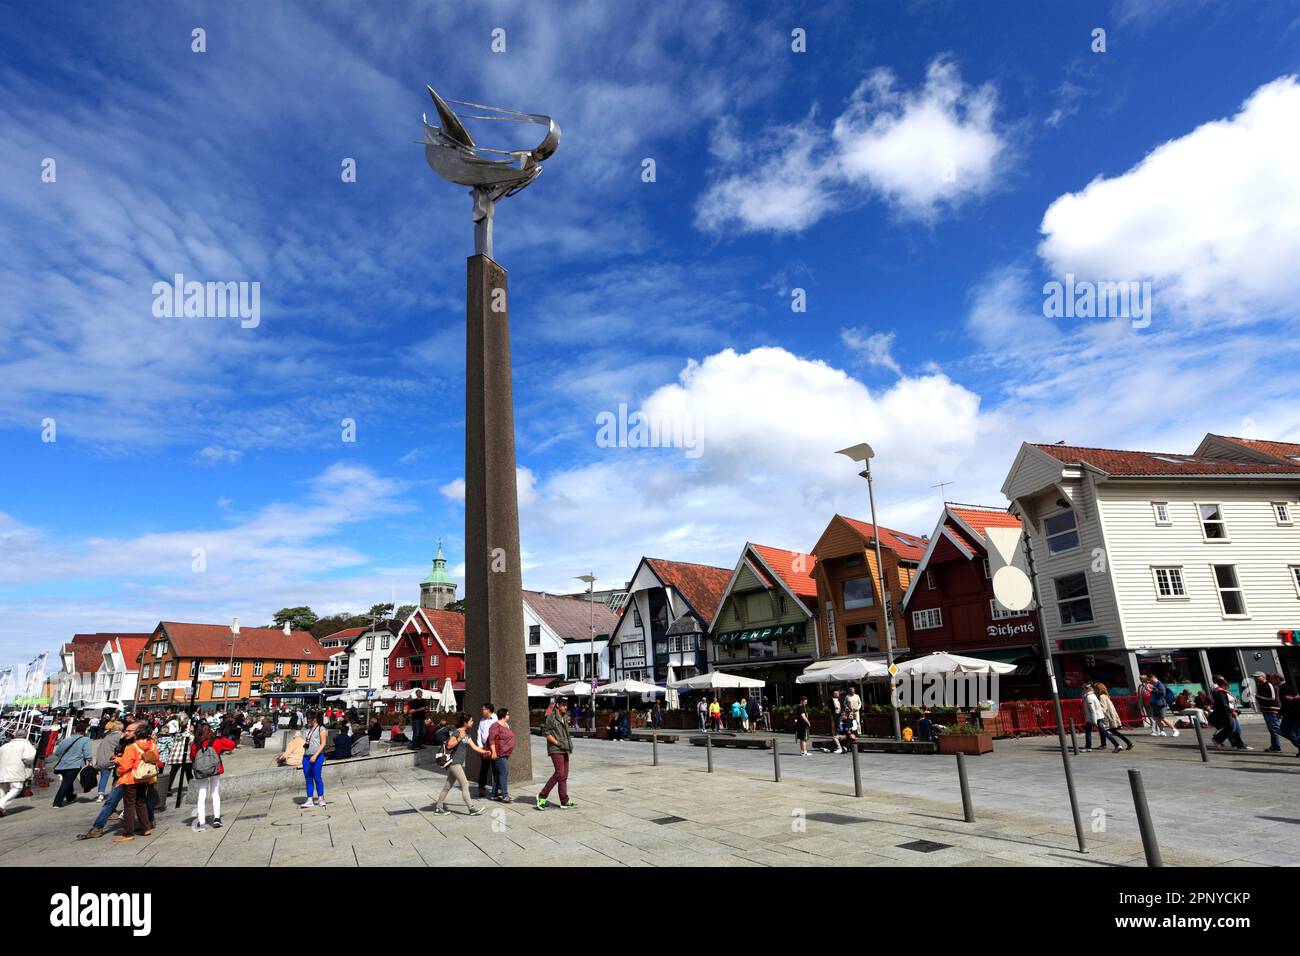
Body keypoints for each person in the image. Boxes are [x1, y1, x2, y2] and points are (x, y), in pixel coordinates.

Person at [113, 727, 161, 843]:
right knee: (141, 802)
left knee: (129, 805)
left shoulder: (132, 747)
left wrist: (118, 761)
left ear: (136, 735)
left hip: (132, 778)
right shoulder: (153, 746)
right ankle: (145, 828)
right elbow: (156, 759)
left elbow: (126, 765)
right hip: (145, 777)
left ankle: (128, 832)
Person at [433, 714, 484, 816]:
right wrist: (460, 737)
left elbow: (474, 747)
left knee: (447, 786)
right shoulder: (457, 732)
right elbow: (449, 745)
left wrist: (485, 752)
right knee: (465, 784)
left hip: (458, 763)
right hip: (454, 762)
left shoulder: (467, 733)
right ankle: (471, 808)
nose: (472, 722)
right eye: (471, 720)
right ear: (465, 722)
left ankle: (438, 808)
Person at [190, 723, 235, 831]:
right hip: (215, 770)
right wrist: (220, 737)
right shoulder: (217, 740)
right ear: (210, 730)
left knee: (202, 794)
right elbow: (231, 744)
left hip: (201, 771)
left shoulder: (195, 744)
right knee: (215, 792)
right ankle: (216, 818)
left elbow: (192, 758)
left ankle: (201, 823)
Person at [537, 697, 575, 810]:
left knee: (564, 776)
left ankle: (564, 800)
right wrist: (557, 742)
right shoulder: (551, 718)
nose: (565, 707)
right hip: (556, 748)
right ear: (557, 705)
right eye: (563, 705)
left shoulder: (565, 717)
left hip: (565, 748)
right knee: (559, 773)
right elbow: (546, 732)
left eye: (566, 705)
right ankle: (542, 795)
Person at [51, 720, 93, 808]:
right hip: (75, 764)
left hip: (62, 764)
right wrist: (89, 761)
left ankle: (70, 796)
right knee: (66, 783)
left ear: (75, 730)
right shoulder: (85, 739)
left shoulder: (66, 739)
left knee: (68, 780)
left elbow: (57, 752)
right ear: (85, 731)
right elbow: (87, 753)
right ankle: (57, 802)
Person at [0, 733, 37, 818]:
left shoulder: (4, 746)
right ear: (25, 735)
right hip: (16, 770)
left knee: (2, 790)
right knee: (17, 788)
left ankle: (2, 809)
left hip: (2, 771)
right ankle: (1, 805)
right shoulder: (26, 745)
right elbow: (29, 758)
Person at [1209, 676, 1249, 750]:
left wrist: (1234, 709)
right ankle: (1217, 739)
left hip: (1230, 711)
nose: (1228, 688)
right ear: (1224, 685)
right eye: (1227, 686)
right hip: (1226, 713)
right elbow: (1223, 704)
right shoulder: (1219, 692)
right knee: (1231, 729)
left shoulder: (1222, 692)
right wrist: (1232, 711)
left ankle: (1239, 744)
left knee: (1236, 729)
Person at [487, 708, 515, 802]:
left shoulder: (505, 725)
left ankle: (494, 794)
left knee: (498, 774)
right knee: (504, 772)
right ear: (503, 715)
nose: (509, 716)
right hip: (498, 754)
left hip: (504, 753)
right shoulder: (495, 726)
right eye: (508, 714)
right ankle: (505, 795)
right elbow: (491, 740)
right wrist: (494, 752)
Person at [301, 711, 328, 809]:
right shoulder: (308, 729)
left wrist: (315, 755)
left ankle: (321, 798)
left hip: (317, 756)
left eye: (309, 719)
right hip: (306, 755)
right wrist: (303, 725)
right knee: (308, 778)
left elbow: (323, 743)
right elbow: (302, 735)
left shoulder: (321, 728)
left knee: (317, 778)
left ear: (315, 719)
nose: (308, 721)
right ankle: (309, 800)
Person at [1096, 682, 1133, 751]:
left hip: (1107, 717)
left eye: (1096, 688)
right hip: (1110, 715)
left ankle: (1117, 745)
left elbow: (1103, 708)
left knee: (1105, 730)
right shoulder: (1106, 695)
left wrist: (1096, 710)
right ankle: (1128, 742)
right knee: (1111, 730)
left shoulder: (1102, 696)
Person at [93, 721, 124, 800]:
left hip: (102, 759)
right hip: (113, 759)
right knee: (117, 776)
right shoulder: (120, 736)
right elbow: (120, 747)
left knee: (104, 777)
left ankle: (100, 794)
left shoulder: (107, 735)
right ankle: (114, 793)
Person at [1253, 672, 1283, 752]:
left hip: (1272, 710)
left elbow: (1273, 698)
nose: (1255, 678)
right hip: (1266, 710)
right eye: (1254, 677)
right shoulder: (1260, 686)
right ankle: (1275, 746)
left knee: (1277, 729)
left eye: (1257, 677)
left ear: (1263, 677)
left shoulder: (1268, 685)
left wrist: (1259, 697)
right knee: (1272, 729)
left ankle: (1296, 740)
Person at [475, 702, 498, 798]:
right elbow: (479, 732)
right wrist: (480, 746)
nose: (482, 710)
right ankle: (481, 788)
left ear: (488, 710)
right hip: (484, 746)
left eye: (483, 709)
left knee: (496, 769)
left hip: (494, 746)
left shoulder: (495, 719)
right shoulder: (482, 720)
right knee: (484, 769)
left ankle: (496, 790)